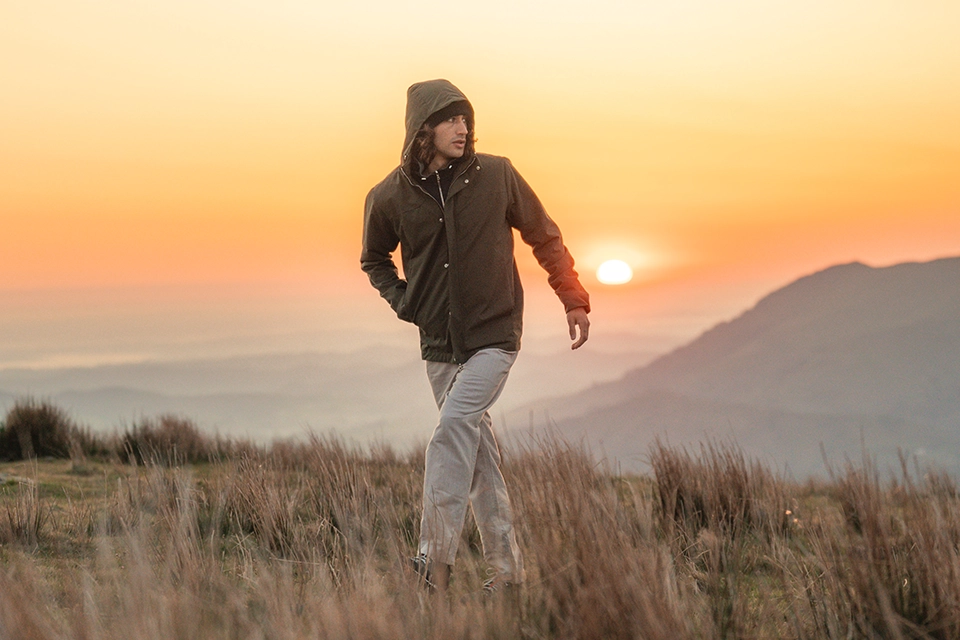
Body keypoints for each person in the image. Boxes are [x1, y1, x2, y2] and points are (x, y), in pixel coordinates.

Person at [361, 79, 590, 592]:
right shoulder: (389, 197)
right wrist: (406, 303)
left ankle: (433, 564)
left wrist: (572, 297)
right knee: (480, 457)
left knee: (451, 431)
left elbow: (543, 234)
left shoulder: (497, 175)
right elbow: (373, 259)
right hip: (439, 345)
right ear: (423, 129)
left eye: (465, 118)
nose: (462, 128)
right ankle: (508, 577)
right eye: (450, 119)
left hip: (494, 335)